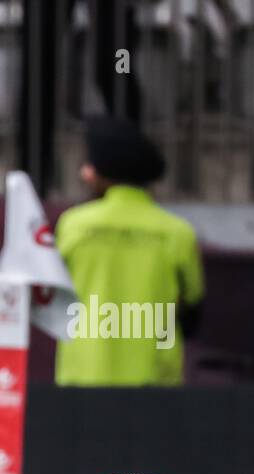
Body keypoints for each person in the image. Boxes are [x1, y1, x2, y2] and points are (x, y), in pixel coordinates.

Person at [55, 116, 205, 387]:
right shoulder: (177, 232)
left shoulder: (73, 224)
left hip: (82, 378)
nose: (83, 175)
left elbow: (48, 296)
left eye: (89, 166)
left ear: (101, 173)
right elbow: (193, 304)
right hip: (155, 381)